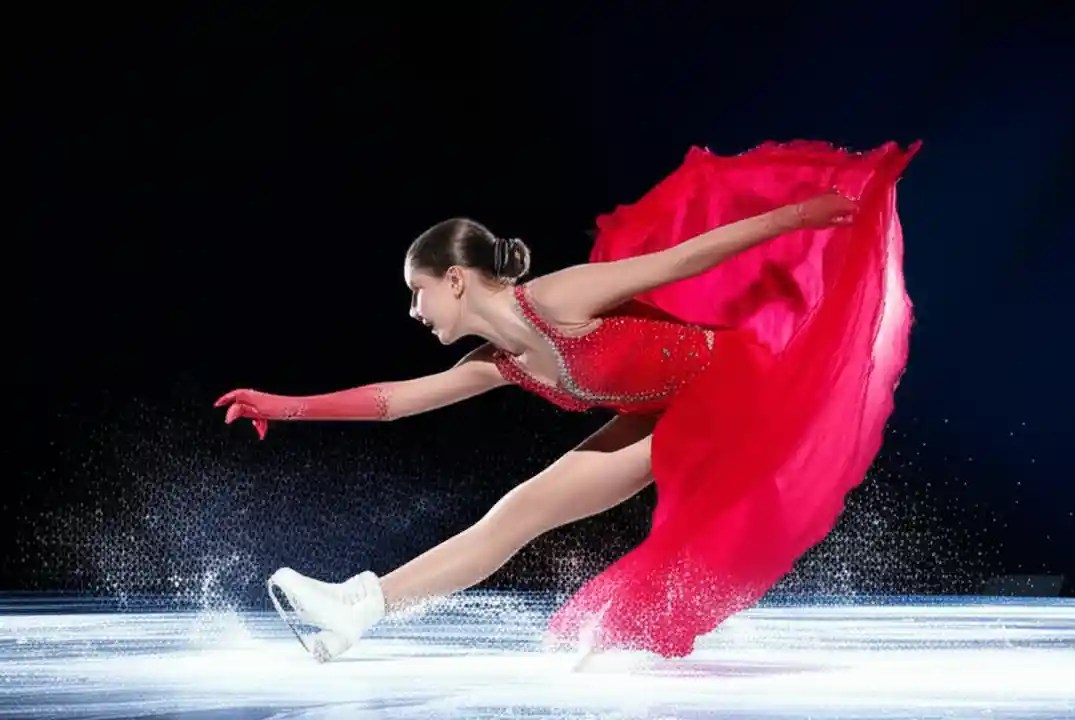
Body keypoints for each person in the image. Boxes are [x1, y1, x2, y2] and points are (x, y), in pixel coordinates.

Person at [215, 138, 920, 664]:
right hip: (661, 413)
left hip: (730, 390)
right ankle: (358, 607)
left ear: (456, 280)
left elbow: (683, 261)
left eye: (416, 290)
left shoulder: (557, 297)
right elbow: (395, 401)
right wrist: (284, 405)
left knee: (650, 526)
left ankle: (636, 623)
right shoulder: (498, 362)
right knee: (516, 514)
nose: (412, 309)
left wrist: (798, 215)